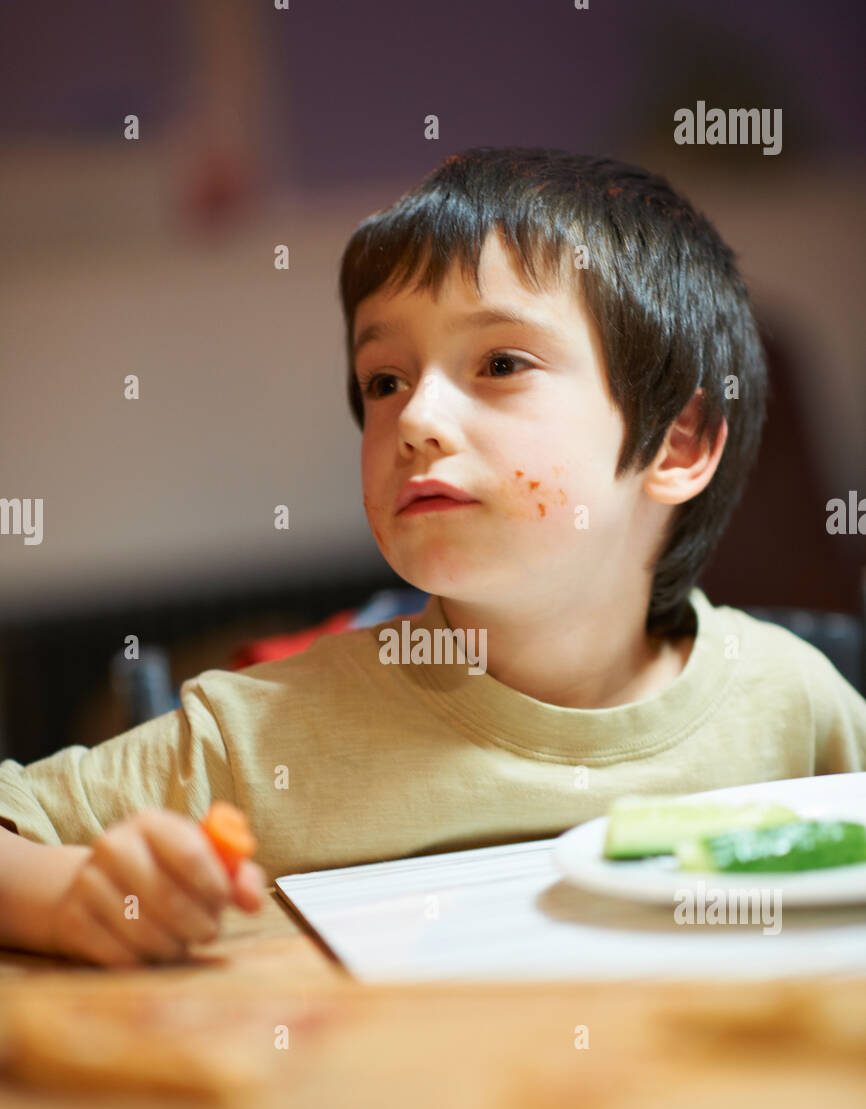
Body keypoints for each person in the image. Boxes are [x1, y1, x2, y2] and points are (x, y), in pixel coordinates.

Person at [1, 146, 864, 967]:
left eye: (499, 361)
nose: (414, 419)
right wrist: (74, 894)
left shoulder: (797, 708)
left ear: (677, 444)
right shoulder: (256, 737)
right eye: (385, 381)